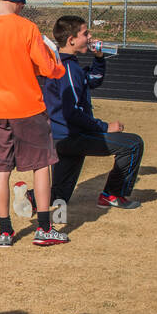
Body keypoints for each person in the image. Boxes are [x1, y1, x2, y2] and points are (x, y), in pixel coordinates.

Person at [0, 0, 68, 247]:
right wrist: (55, 66)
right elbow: (48, 68)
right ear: (18, 1)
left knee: (0, 170)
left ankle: (4, 232)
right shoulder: (27, 29)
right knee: (41, 166)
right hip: (28, 108)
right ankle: (44, 228)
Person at [40, 15, 144, 211]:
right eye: (85, 33)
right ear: (71, 40)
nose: (90, 36)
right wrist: (105, 127)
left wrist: (98, 57)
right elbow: (72, 112)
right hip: (71, 137)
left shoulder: (69, 66)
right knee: (132, 144)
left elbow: (93, 80)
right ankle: (112, 194)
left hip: (62, 137)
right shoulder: (67, 68)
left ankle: (30, 197)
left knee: (59, 197)